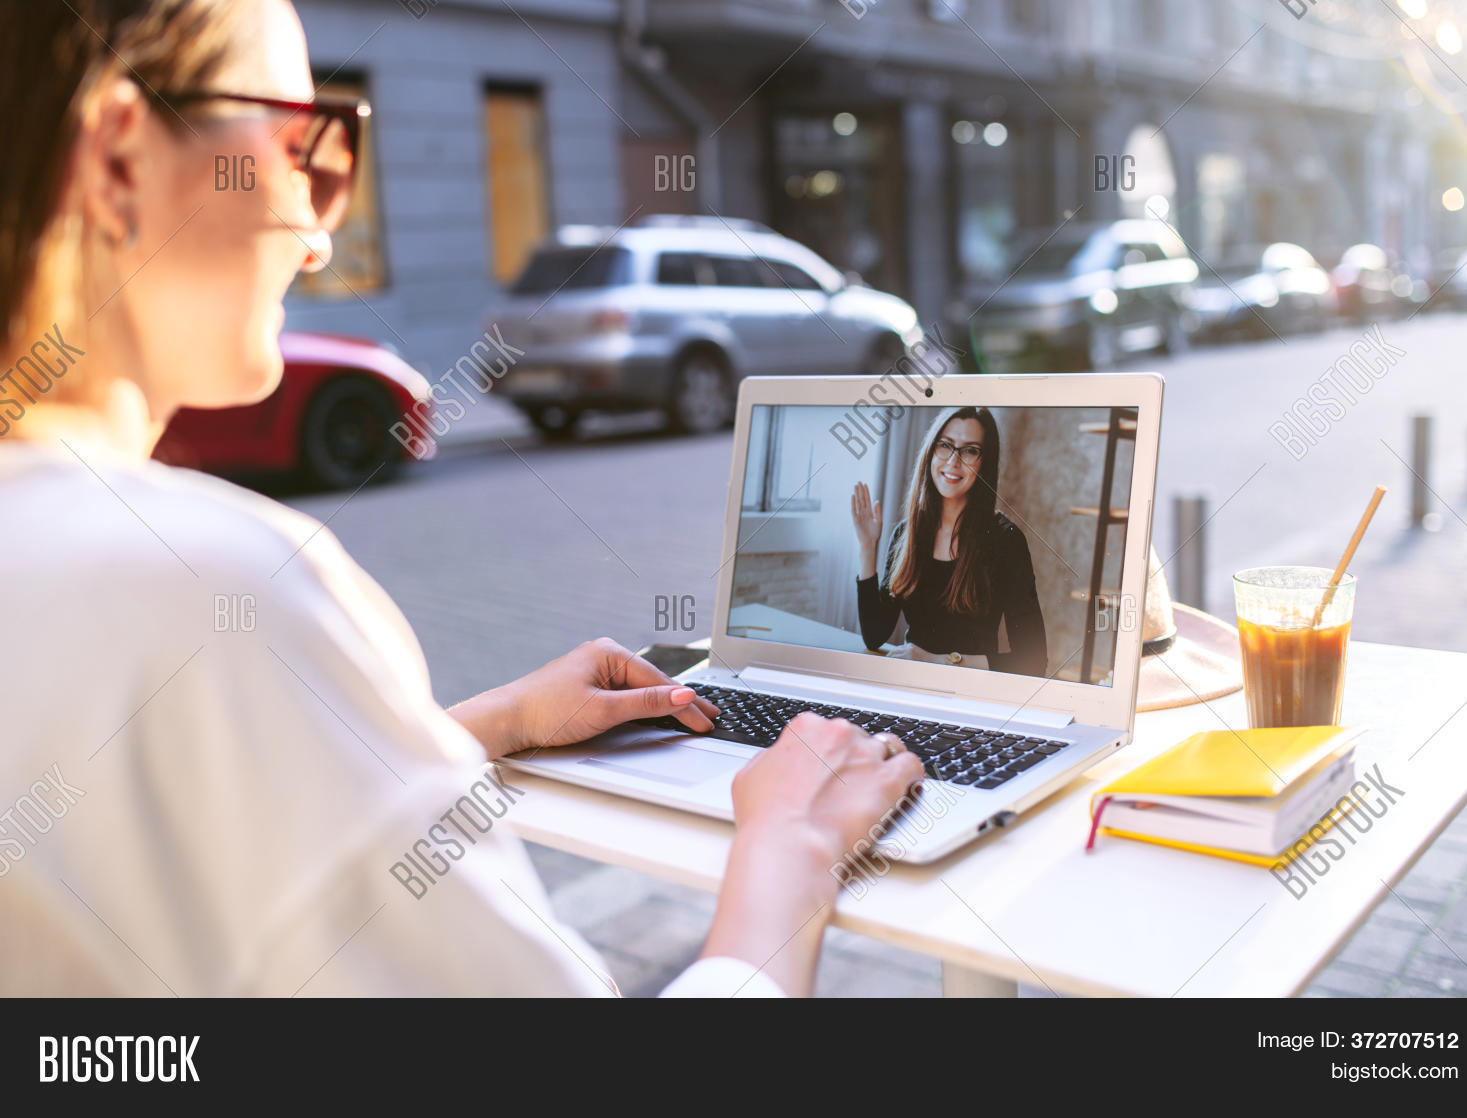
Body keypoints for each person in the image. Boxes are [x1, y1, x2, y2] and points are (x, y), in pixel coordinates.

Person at [0, 0, 923, 997]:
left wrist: (472, 727)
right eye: (307, 146)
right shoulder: (209, 588)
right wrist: (793, 848)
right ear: (122, 159)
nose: (318, 234)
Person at [850, 407, 1048, 675]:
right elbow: (874, 636)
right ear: (931, 452)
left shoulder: (1006, 541)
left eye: (969, 450)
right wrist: (867, 547)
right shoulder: (905, 534)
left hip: (970, 694)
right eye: (945, 445)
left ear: (984, 462)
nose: (954, 461)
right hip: (911, 683)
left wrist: (939, 660)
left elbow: (1033, 660)